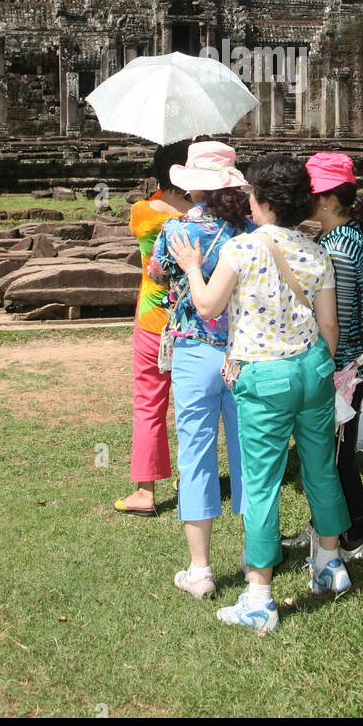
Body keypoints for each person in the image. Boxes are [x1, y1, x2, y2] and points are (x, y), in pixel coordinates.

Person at [168, 152, 352, 634]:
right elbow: (329, 324)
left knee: (263, 482)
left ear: (265, 201)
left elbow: (208, 306)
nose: (247, 199)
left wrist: (191, 266)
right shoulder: (317, 251)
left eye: (252, 192)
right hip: (312, 367)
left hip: (264, 377)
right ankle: (331, 563)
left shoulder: (243, 250)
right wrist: (317, 369)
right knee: (321, 469)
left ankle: (259, 596)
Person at [150, 143, 252, 599]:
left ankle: (201, 568)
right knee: (250, 452)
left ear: (192, 184)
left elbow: (155, 274)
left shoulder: (176, 229)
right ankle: (256, 556)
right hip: (242, 349)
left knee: (196, 452)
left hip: (194, 350)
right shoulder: (248, 231)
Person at [282, 152, 363, 561]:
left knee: (335, 458)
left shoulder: (338, 247)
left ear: (323, 200)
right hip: (354, 361)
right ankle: (331, 525)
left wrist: (326, 366)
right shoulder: (348, 236)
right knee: (334, 454)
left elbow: (334, 319)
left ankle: (353, 534)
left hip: (342, 365)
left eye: (309, 194)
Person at [114, 140, 190, 517]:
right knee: (195, 405)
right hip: (194, 321)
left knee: (148, 403)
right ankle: (191, 476)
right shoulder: (203, 216)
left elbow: (155, 214)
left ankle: (144, 492)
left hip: (151, 318)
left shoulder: (141, 212)